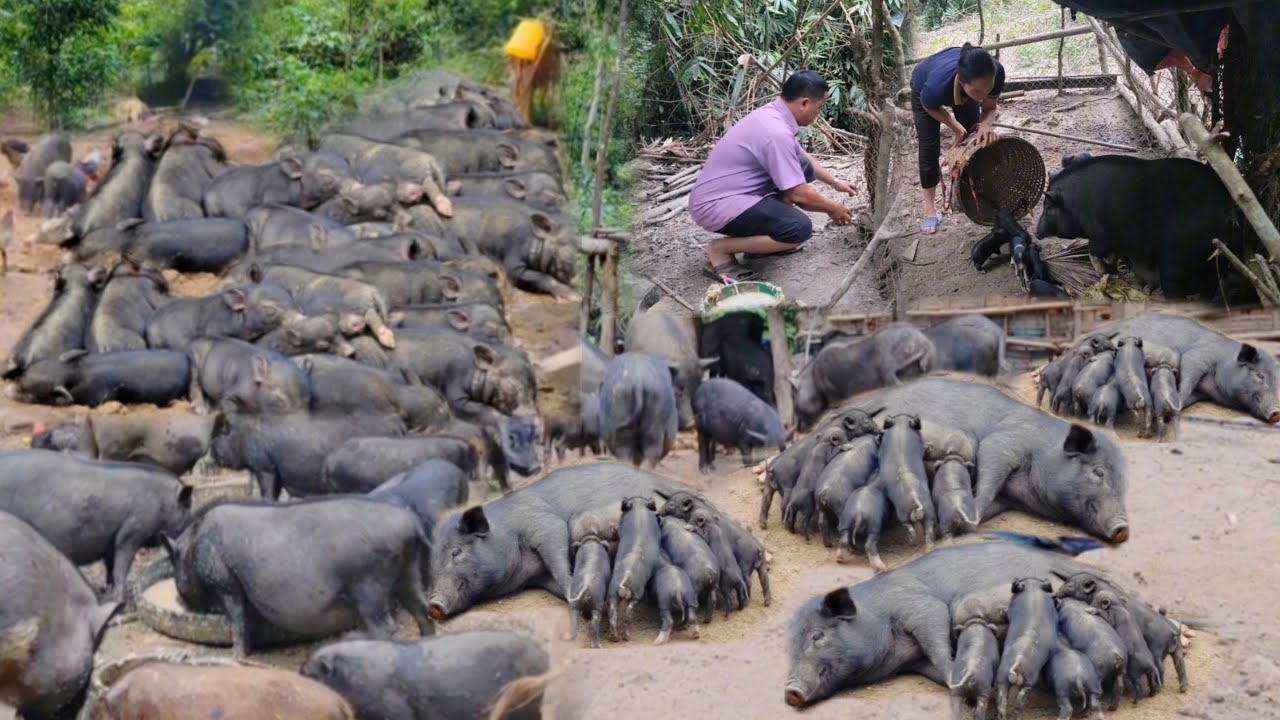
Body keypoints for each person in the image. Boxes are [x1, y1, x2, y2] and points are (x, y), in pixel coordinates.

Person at [688, 70, 857, 285]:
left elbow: (802, 158)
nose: (818, 115)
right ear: (804, 103)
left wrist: (835, 183)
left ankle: (760, 244)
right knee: (798, 229)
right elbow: (799, 195)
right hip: (715, 205)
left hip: (733, 194)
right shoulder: (775, 131)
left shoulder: (772, 115)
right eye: (819, 107)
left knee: (801, 166)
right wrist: (833, 208)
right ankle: (720, 250)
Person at [910, 42, 1005, 235]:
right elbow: (929, 105)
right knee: (929, 148)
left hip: (961, 87)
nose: (983, 96)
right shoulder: (936, 87)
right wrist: (955, 127)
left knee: (975, 141)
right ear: (962, 81)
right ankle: (931, 211)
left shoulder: (996, 72)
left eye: (988, 89)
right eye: (978, 92)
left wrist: (985, 125)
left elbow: (988, 106)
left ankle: (972, 194)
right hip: (923, 91)